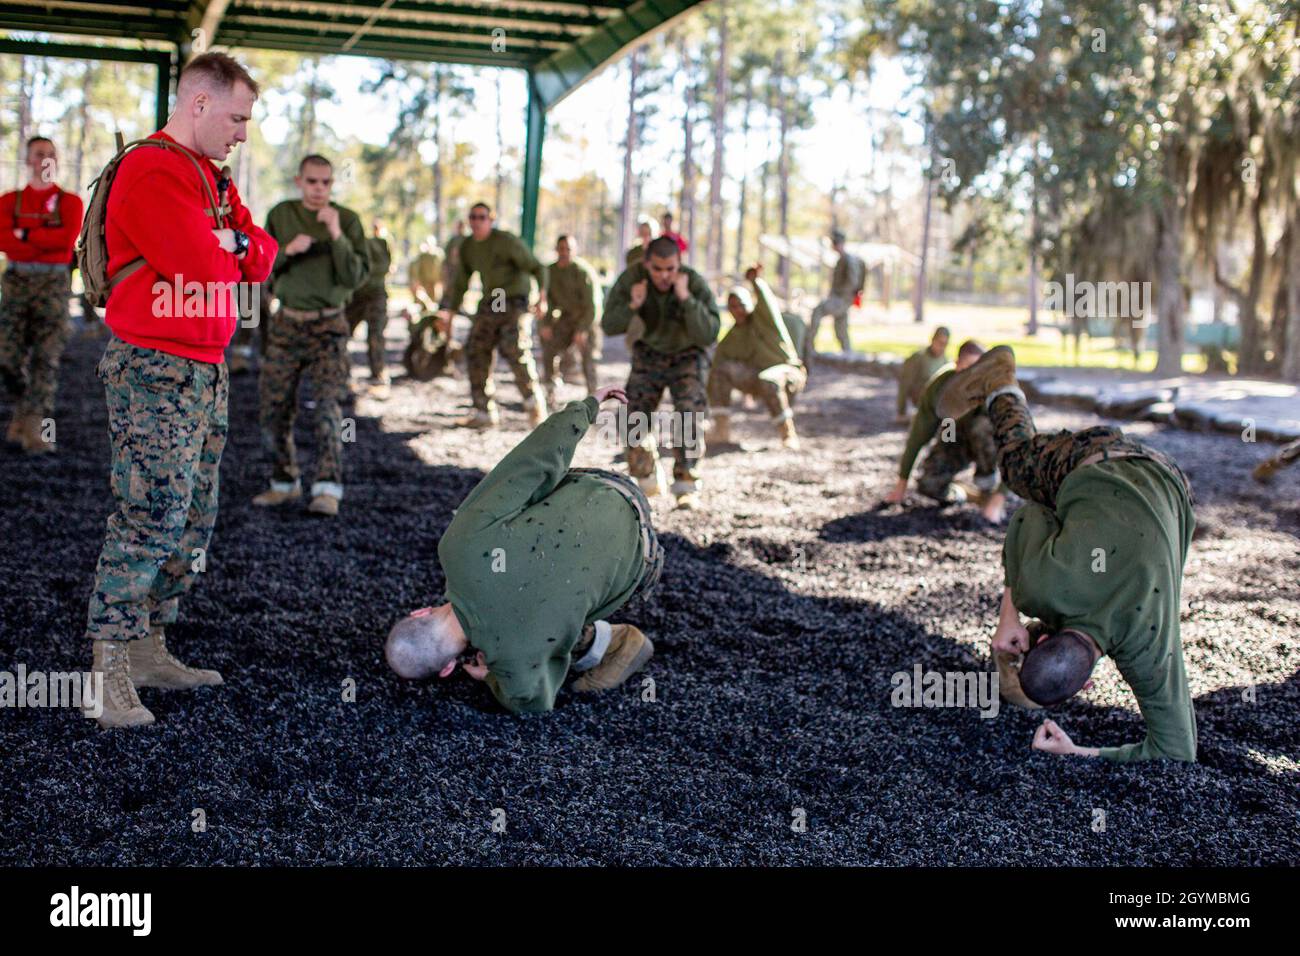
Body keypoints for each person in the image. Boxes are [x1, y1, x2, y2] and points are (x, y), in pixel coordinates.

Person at [83, 52, 276, 728]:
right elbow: (206, 264)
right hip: (155, 368)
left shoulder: (208, 176)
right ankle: (107, 668)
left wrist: (227, 240)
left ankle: (148, 646)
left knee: (193, 514)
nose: (242, 134)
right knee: (149, 512)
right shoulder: (152, 168)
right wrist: (229, 244)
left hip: (205, 367)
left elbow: (261, 254)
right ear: (198, 104)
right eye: (236, 117)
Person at [940, 345, 1197, 762]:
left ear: (1089, 679)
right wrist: (1011, 612)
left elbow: (1176, 752)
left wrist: (1078, 750)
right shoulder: (1042, 590)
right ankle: (1001, 388)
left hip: (1174, 487)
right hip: (1099, 458)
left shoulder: (1148, 649)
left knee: (1029, 477)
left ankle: (998, 381)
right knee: (1020, 468)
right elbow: (1030, 515)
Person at [384, 386, 662, 713]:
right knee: (520, 515)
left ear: (448, 668)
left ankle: (607, 643)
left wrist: (491, 676)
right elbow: (529, 463)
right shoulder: (455, 546)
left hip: (642, 559)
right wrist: (586, 407)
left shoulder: (514, 663)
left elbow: (531, 704)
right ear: (420, 612)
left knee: (548, 619)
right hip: (611, 491)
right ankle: (608, 641)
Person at [253, 154, 370, 517]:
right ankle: (284, 482)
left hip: (329, 326)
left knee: (328, 408)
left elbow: (356, 278)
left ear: (332, 184)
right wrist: (288, 251)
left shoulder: (347, 220)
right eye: (312, 181)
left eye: (326, 182)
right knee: (274, 407)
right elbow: (259, 267)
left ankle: (327, 487)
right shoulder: (281, 215)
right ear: (299, 181)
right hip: (287, 323)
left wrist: (335, 234)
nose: (319, 189)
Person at [602, 236, 720, 509]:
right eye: (658, 269)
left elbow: (709, 332)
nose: (665, 275)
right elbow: (608, 325)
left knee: (689, 413)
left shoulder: (693, 282)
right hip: (650, 352)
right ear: (647, 264)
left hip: (688, 354)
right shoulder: (632, 279)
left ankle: (686, 485)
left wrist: (686, 299)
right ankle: (646, 477)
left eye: (671, 268)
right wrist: (633, 304)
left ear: (679, 264)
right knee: (633, 416)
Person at [0, 135, 84, 454]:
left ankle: (43, 433)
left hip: (54, 285)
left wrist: (24, 233)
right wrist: (40, 238)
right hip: (17, 284)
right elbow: (3, 239)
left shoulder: (70, 203)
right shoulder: (9, 201)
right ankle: (24, 413)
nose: (45, 159)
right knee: (8, 359)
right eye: (39, 154)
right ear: (28, 160)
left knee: (46, 361)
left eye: (51, 153)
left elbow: (65, 240)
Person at [436, 202, 548, 429]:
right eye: (473, 217)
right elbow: (460, 282)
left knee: (513, 347)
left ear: (491, 220)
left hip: (515, 299)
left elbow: (537, 267)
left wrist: (542, 297)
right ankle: (483, 412)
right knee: (475, 348)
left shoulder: (506, 241)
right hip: (492, 301)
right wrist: (450, 310)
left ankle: (534, 404)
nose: (476, 222)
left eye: (482, 217)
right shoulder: (468, 246)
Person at [884, 339, 1007, 523]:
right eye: (968, 368)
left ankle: (987, 493)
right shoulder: (940, 387)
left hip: (987, 444)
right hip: (953, 438)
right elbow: (917, 436)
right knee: (928, 485)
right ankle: (963, 493)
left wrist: (999, 498)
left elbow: (1016, 444)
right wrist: (901, 484)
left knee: (981, 427)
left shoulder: (998, 389)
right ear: (957, 366)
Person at [708, 264, 805, 450]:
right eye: (733, 307)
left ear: (750, 304)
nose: (738, 311)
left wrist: (755, 281)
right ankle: (721, 429)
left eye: (742, 305)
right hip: (757, 377)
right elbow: (716, 367)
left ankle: (787, 433)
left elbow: (766, 301)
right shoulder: (731, 338)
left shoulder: (765, 320)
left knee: (769, 378)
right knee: (720, 371)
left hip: (787, 371)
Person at [540, 234, 602, 406]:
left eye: (568, 249)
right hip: (566, 318)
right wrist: (546, 324)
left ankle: (593, 397)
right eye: (561, 248)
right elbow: (546, 301)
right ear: (556, 250)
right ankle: (550, 390)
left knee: (589, 357)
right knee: (548, 345)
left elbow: (593, 306)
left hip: (586, 319)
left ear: (574, 251)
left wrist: (582, 330)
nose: (564, 252)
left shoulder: (583, 272)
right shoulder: (550, 271)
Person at [345, 218, 393, 396]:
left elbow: (385, 266)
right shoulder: (351, 243)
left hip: (375, 295)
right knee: (343, 335)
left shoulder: (382, 243)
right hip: (356, 296)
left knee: (375, 335)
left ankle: (378, 375)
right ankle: (344, 376)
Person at [809, 229, 864, 356]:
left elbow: (852, 282)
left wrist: (839, 296)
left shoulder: (848, 260)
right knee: (841, 328)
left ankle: (808, 346)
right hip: (842, 299)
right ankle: (848, 354)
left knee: (818, 310)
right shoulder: (842, 260)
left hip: (842, 299)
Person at [896, 327, 950, 422]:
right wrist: (901, 411)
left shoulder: (945, 361)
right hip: (922, 397)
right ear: (933, 340)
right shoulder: (918, 358)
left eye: (945, 344)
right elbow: (904, 385)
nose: (942, 347)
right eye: (939, 343)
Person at [408, 237, 443, 314]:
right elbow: (415, 267)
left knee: (434, 303)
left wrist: (440, 281)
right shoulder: (421, 256)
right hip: (423, 282)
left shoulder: (437, 255)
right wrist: (415, 280)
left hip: (433, 283)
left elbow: (441, 268)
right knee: (422, 303)